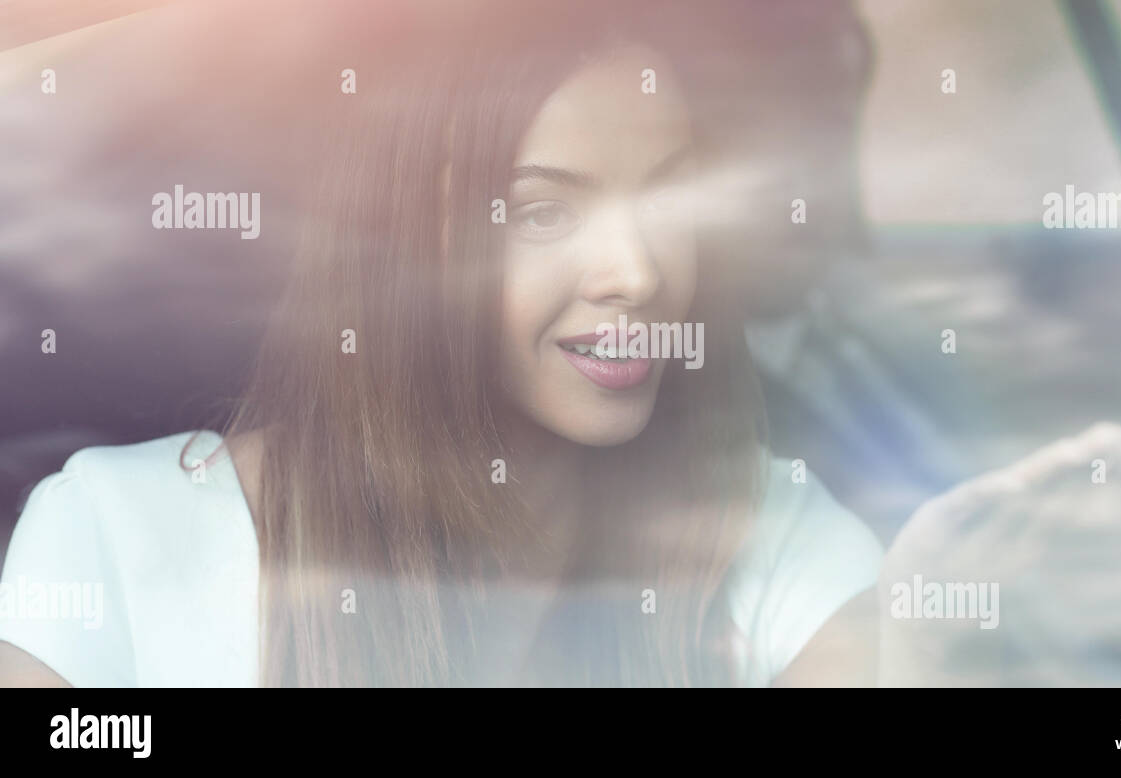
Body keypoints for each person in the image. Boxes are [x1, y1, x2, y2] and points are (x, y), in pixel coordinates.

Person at [0, 0, 885, 687]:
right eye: (543, 212)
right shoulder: (109, 545)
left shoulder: (772, 540)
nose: (638, 273)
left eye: (666, 201)